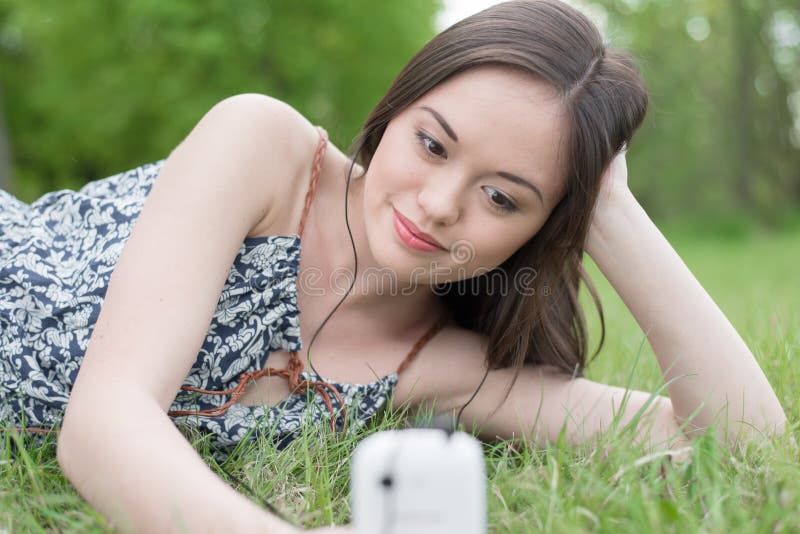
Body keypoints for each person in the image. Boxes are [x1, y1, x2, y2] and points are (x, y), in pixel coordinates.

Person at [0, 0, 788, 532]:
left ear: (544, 227)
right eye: (433, 144)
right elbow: (103, 423)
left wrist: (606, 206)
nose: (440, 204)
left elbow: (742, 441)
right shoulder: (263, 150)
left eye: (503, 198)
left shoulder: (442, 365)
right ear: (397, 106)